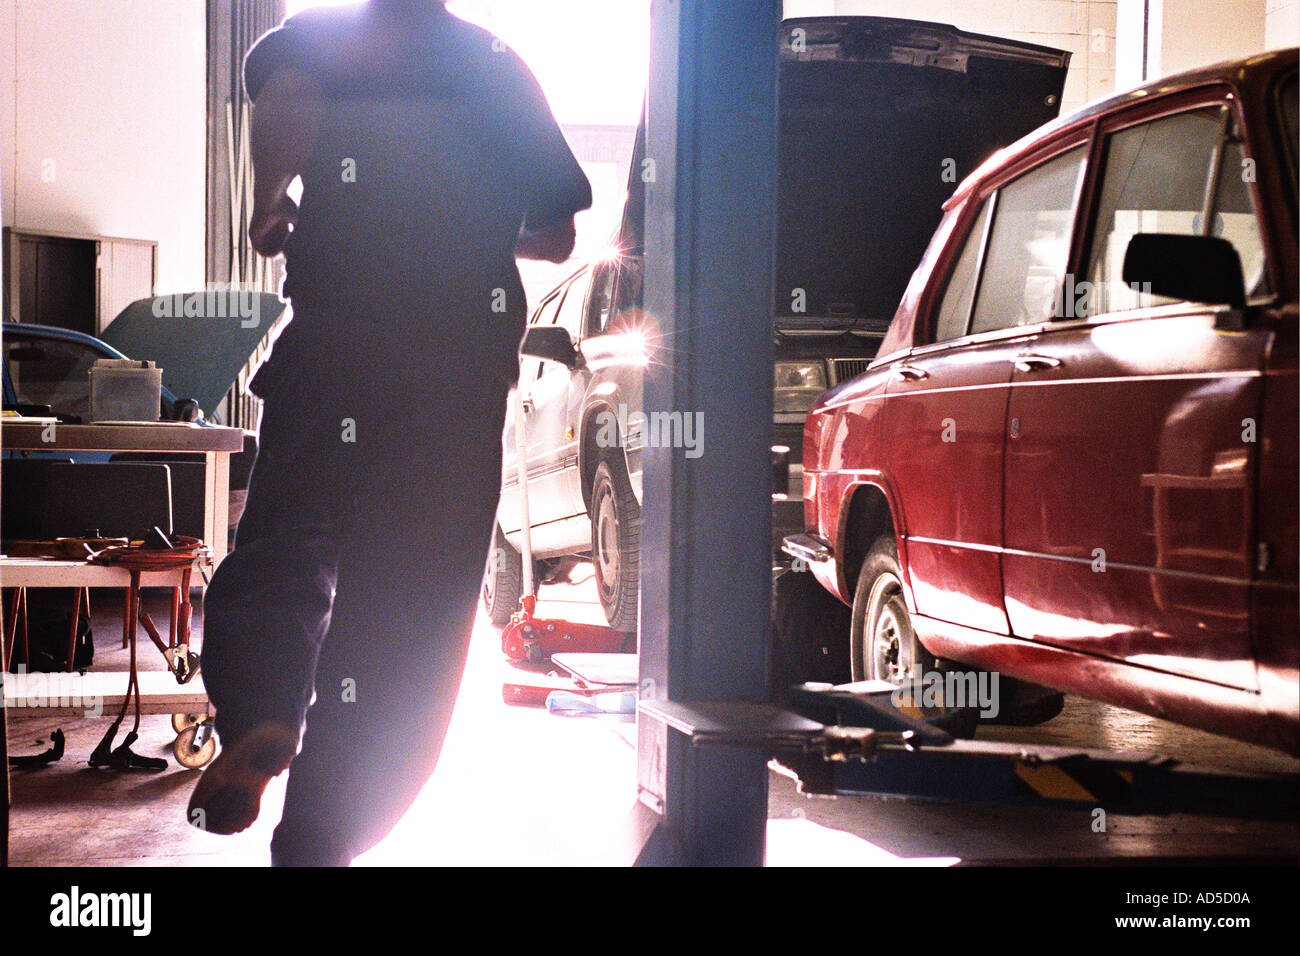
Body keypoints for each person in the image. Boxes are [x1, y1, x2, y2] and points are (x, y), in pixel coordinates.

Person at [188, 0, 592, 867]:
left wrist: (269, 205)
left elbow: (288, 93)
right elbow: (558, 233)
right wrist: (470, 225)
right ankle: (326, 832)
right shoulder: (496, 63)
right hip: (453, 371)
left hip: (337, 344)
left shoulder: (323, 41)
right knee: (409, 615)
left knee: (285, 546)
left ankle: (262, 706)